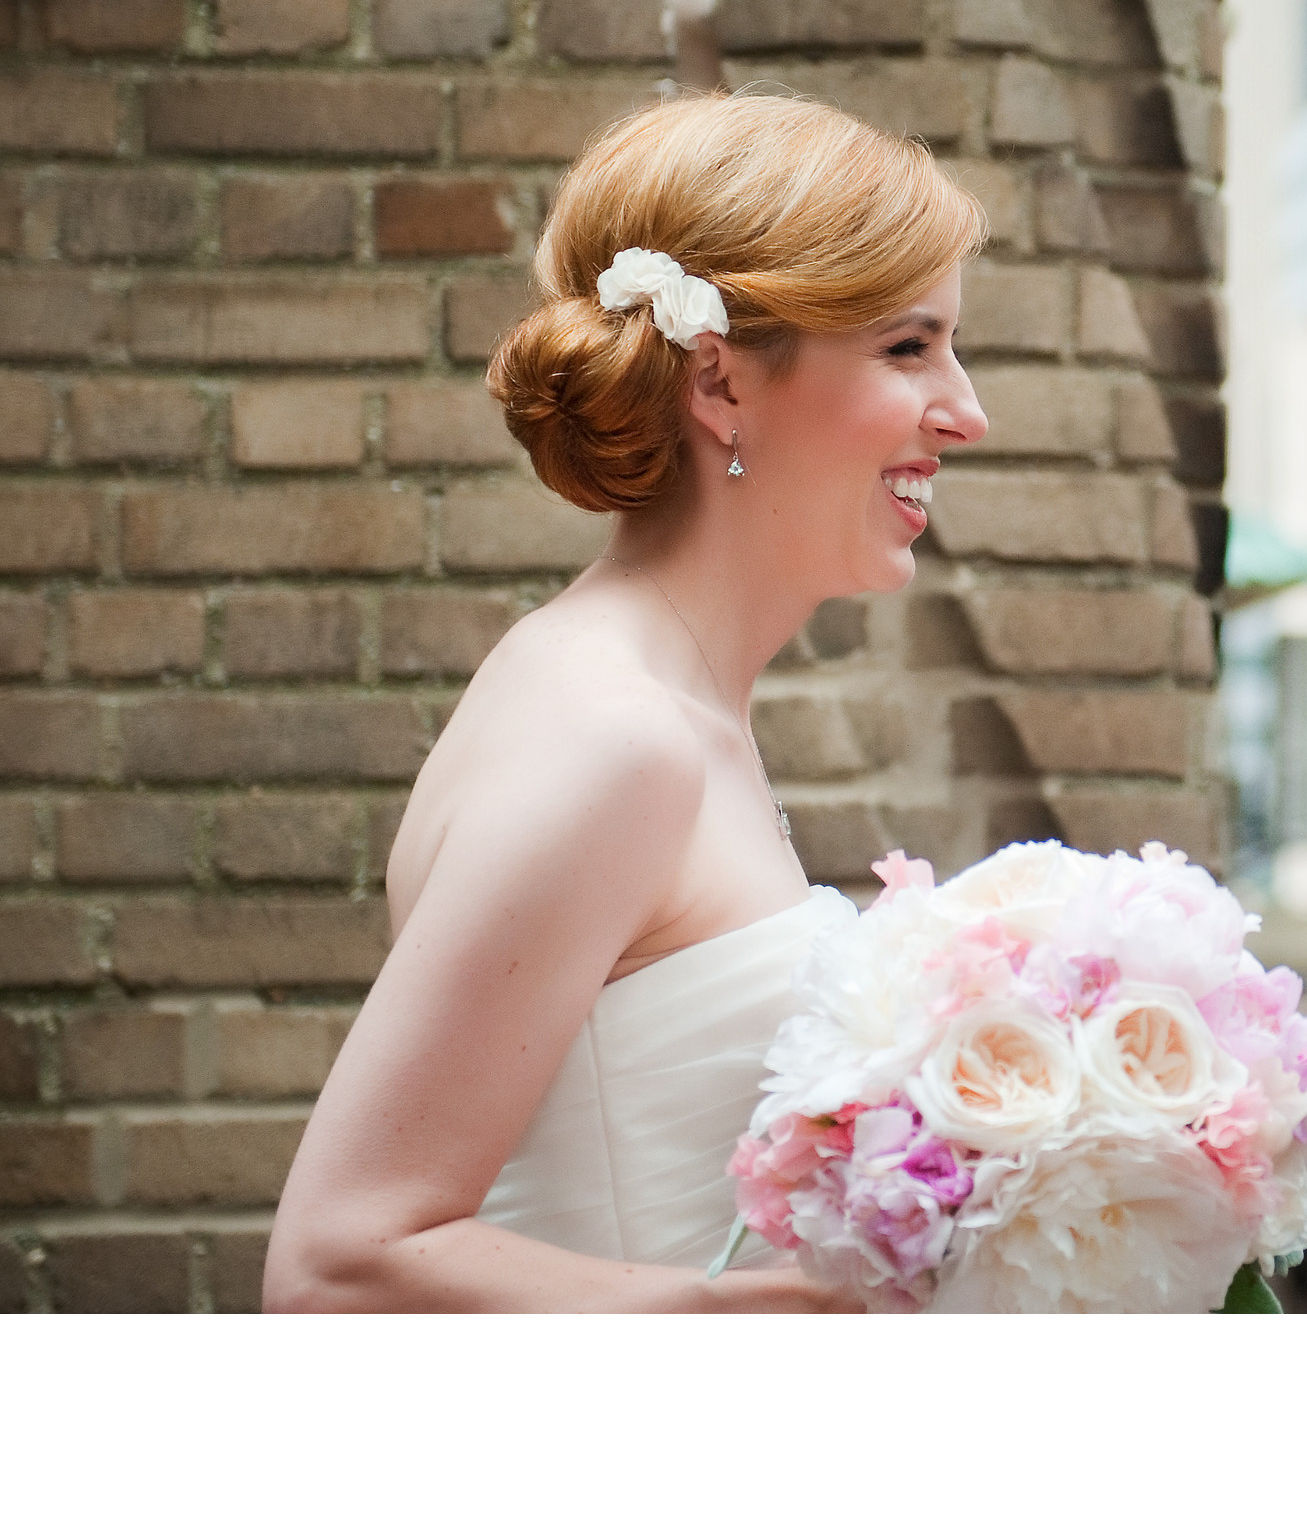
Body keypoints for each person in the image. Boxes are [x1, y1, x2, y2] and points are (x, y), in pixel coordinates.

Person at [264, 93, 988, 1312]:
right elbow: (338, 1268)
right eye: (909, 348)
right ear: (718, 383)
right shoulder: (620, 737)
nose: (967, 411)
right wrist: (788, 1316)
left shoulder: (665, 706)